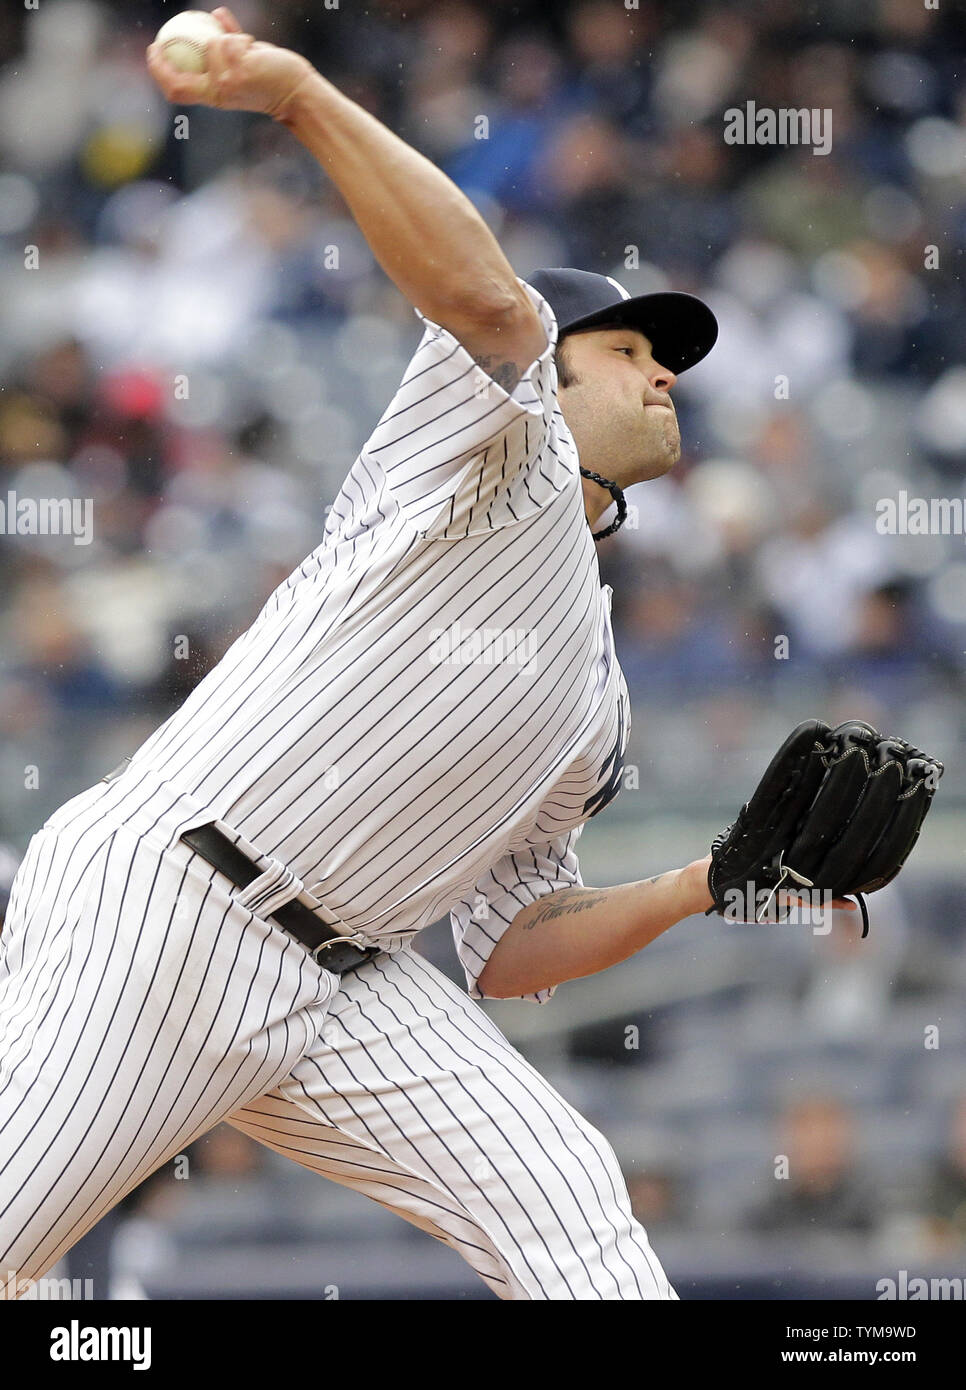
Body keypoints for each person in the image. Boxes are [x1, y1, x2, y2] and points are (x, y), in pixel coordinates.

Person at [0, 8, 721, 1301]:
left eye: (667, 359)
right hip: (180, 903)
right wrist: (295, 95)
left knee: (571, 1205)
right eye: (629, 350)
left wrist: (702, 881)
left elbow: (509, 942)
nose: (663, 374)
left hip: (350, 983)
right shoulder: (495, 453)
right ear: (550, 378)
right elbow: (483, 299)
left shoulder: (596, 696)